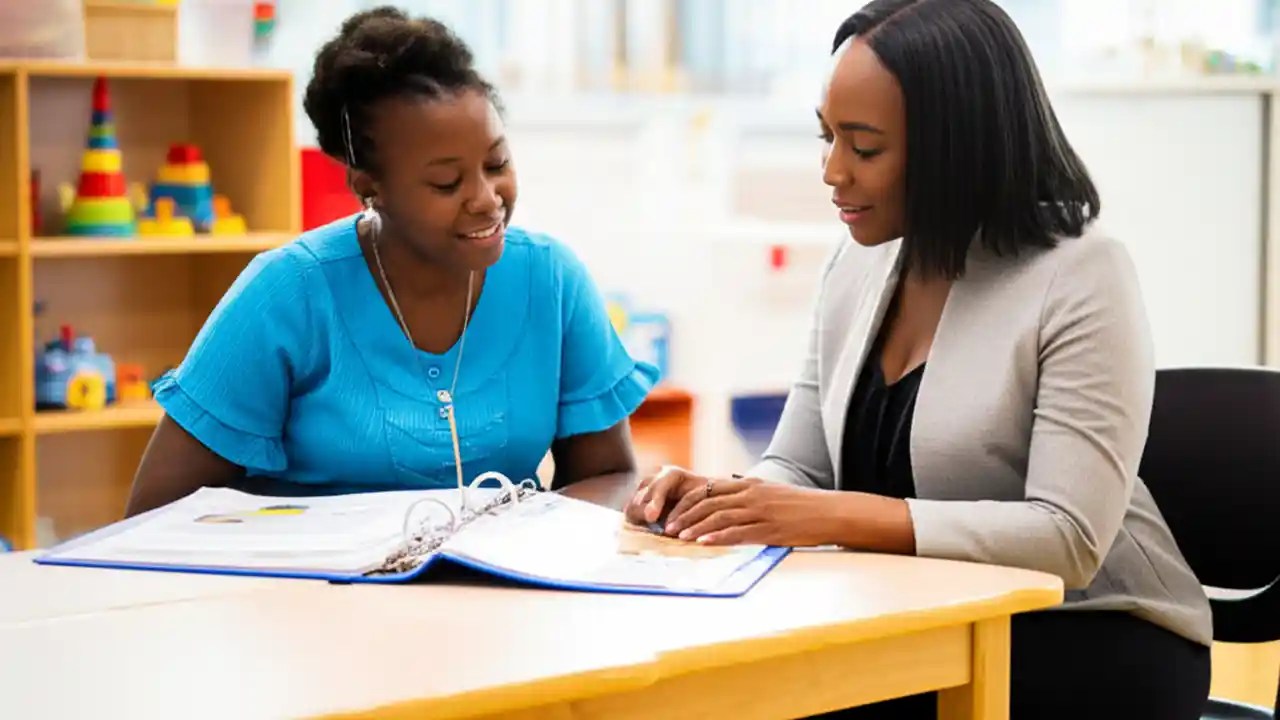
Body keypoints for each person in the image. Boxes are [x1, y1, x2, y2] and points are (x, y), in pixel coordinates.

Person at [625, 1, 1212, 718]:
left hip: (1091, 630)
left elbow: (1068, 540)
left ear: (955, 149)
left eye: (864, 147)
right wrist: (723, 501)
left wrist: (827, 517)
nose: (832, 171)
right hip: (920, 616)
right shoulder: (856, 266)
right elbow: (799, 469)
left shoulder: (1082, 273)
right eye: (827, 137)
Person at [126, 7, 659, 517]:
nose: (485, 198)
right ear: (369, 186)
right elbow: (154, 514)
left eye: (496, 163)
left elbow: (610, 475)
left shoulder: (551, 280)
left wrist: (533, 539)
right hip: (308, 602)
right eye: (445, 182)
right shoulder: (287, 291)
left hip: (502, 602)